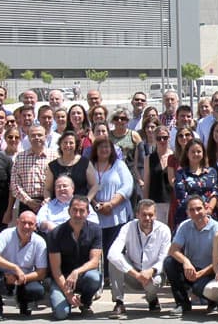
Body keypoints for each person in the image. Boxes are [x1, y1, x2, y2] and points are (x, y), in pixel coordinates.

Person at [107, 199, 172, 318]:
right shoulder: (128, 227)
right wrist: (136, 275)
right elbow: (112, 253)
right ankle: (119, 302)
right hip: (133, 273)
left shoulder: (164, 230)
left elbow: (164, 258)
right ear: (137, 215)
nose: (147, 218)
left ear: (156, 215)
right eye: (144, 214)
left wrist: (151, 271)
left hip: (153, 274)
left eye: (150, 215)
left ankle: (152, 299)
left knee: (154, 282)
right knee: (114, 261)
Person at [0, 210, 49, 321]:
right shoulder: (7, 234)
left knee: (37, 291)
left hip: (25, 277)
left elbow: (41, 273)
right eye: (23, 222)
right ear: (17, 222)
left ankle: (23, 303)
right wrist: (14, 268)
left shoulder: (39, 242)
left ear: (35, 226)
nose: (26, 226)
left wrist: (20, 278)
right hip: (4, 275)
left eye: (30, 224)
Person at [165, 196, 218, 315]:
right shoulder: (184, 226)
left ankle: (213, 303)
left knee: (199, 288)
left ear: (206, 208)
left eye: (199, 209)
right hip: (191, 269)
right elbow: (173, 250)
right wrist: (186, 262)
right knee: (169, 262)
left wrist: (201, 273)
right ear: (187, 212)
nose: (196, 213)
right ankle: (182, 304)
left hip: (211, 271)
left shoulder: (217, 228)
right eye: (191, 210)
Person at [48, 195, 104, 319]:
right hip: (62, 279)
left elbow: (94, 262)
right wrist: (68, 294)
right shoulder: (55, 233)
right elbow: (56, 270)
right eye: (74, 210)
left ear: (88, 213)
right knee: (61, 314)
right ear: (69, 211)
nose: (78, 214)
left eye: (82, 211)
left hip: (83, 276)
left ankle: (85, 303)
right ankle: (66, 300)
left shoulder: (95, 230)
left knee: (94, 277)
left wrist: (76, 272)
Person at [90, 138, 135, 273]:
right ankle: (102, 276)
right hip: (97, 215)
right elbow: (87, 187)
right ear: (95, 150)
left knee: (114, 249)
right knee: (99, 249)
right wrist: (97, 205)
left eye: (107, 147)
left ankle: (114, 277)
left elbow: (127, 186)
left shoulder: (119, 165)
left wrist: (111, 204)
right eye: (101, 147)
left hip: (117, 214)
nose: (104, 150)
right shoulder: (90, 166)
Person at [170, 138, 218, 228]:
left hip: (209, 215)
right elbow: (181, 195)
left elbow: (216, 192)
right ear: (187, 153)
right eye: (193, 152)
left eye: (199, 151)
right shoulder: (180, 173)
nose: (196, 154)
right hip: (188, 216)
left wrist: (209, 209)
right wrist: (198, 210)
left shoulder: (212, 172)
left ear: (203, 153)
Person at [46, 132, 97, 199]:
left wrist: (87, 200)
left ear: (76, 145)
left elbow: (94, 186)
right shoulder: (53, 166)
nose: (68, 145)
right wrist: (47, 200)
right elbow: (47, 189)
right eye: (65, 143)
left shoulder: (85, 163)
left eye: (71, 143)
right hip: (58, 203)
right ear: (60, 145)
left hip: (80, 203)